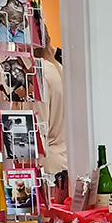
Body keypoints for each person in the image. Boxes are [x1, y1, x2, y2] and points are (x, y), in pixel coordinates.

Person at [34, 28, 68, 179]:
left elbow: (39, 126)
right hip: (64, 158)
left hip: (47, 164)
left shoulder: (39, 74)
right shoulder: (59, 68)